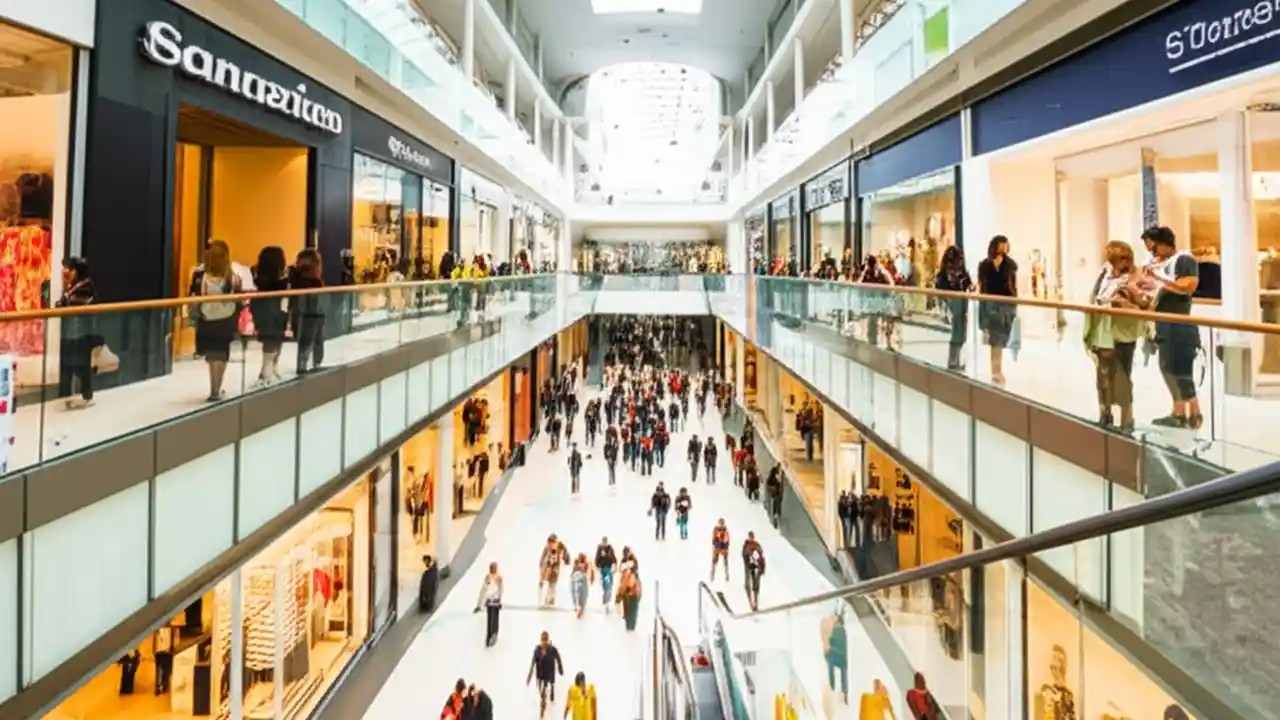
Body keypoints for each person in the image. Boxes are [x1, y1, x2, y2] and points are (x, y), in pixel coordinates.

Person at [1083, 240, 1148, 431]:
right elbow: (1097, 296)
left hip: (1122, 332)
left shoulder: (1136, 277)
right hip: (1101, 330)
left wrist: (1125, 301)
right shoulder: (1104, 274)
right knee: (1103, 374)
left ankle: (1127, 420)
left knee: (1122, 376)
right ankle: (1105, 414)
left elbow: (1144, 304)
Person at [1143, 226, 1202, 429]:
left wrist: (1158, 280)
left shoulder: (1184, 259)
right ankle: (1179, 410)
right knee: (1167, 366)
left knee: (1181, 369)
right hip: (1163, 323)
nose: (1153, 253)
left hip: (1179, 322)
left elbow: (1188, 286)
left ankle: (1193, 411)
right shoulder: (1159, 264)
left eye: (1155, 248)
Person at [193, 239, 241, 401]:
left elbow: (194, 295)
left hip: (207, 317)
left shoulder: (201, 275)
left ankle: (213, 389)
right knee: (222, 353)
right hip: (226, 318)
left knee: (212, 354)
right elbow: (237, 298)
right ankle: (216, 388)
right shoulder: (231, 276)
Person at [56, 257, 102, 408]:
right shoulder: (72, 288)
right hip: (70, 333)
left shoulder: (86, 287)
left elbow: (70, 306)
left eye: (68, 269)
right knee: (68, 365)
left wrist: (64, 301)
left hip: (82, 334)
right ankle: (66, 396)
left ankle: (86, 395)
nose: (65, 272)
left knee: (81, 365)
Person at [977, 235, 1018, 387]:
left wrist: (1014, 305)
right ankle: (996, 371)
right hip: (991, 305)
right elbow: (982, 286)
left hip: (1005, 305)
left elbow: (1013, 286)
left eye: (1005, 245)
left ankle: (997, 370)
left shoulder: (1010, 265)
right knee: (995, 340)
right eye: (1001, 245)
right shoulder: (985, 265)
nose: (1004, 248)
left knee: (1000, 339)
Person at [249, 246, 289, 387]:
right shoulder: (279, 281)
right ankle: (268, 370)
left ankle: (269, 369)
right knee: (274, 340)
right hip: (274, 311)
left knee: (271, 339)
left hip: (261, 309)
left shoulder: (257, 276)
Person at [934, 245, 974, 372]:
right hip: (955, 301)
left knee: (961, 330)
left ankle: (955, 360)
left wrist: (971, 287)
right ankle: (953, 361)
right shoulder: (946, 274)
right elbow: (941, 288)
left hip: (962, 300)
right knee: (958, 330)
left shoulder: (961, 273)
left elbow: (968, 283)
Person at [290, 249, 326, 375]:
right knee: (314, 339)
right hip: (313, 314)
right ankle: (312, 364)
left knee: (305, 341)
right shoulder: (315, 282)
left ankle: (303, 364)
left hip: (301, 314)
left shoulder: (294, 280)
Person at [527, 631, 564, 717]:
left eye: (546, 640)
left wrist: (560, 668)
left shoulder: (552, 649)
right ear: (540, 640)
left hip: (550, 673)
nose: (544, 642)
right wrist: (530, 675)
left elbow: (558, 658)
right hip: (540, 675)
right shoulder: (537, 650)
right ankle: (542, 705)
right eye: (543, 640)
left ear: (548, 640)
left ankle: (550, 694)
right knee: (542, 691)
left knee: (550, 686)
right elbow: (533, 662)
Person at [822, 607, 849, 705]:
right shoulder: (841, 630)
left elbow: (830, 642)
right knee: (843, 673)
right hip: (841, 657)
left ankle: (832, 688)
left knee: (832, 668)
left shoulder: (838, 631)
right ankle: (842, 693)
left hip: (837, 656)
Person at [474, 561, 504, 647]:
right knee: (491, 618)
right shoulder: (488, 578)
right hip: (490, 600)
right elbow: (484, 590)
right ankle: (490, 634)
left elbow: (500, 590)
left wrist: (499, 599)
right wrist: (480, 604)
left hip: (495, 600)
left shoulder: (498, 578)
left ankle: (494, 633)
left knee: (494, 618)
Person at [539, 534, 570, 607]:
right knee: (549, 582)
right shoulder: (547, 547)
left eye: (552, 542)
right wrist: (541, 563)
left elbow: (566, 553)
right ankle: (548, 599)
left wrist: (566, 560)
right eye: (549, 542)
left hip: (556, 566)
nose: (551, 544)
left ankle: (550, 599)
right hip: (548, 566)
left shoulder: (560, 545)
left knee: (553, 583)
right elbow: (543, 556)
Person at [742, 531, 766, 611]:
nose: (751, 538)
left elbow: (761, 556)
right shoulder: (747, 545)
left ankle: (755, 603)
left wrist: (762, 567)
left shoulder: (756, 545)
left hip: (755, 566)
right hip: (749, 566)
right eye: (750, 537)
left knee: (755, 584)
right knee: (748, 583)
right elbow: (744, 555)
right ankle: (751, 603)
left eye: (751, 537)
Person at [570, 553, 594, 619]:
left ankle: (579, 608)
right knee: (578, 594)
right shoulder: (577, 564)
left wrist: (591, 578)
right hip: (578, 579)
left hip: (580, 579)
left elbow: (591, 571)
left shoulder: (587, 564)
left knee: (581, 595)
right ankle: (579, 608)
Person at [595, 538, 617, 610]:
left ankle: (606, 601)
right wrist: (597, 566)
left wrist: (614, 566)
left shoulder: (610, 549)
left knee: (608, 585)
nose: (604, 543)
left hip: (608, 569)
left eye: (605, 542)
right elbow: (597, 559)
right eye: (603, 542)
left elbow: (614, 558)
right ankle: (606, 601)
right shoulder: (600, 549)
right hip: (603, 569)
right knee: (605, 585)